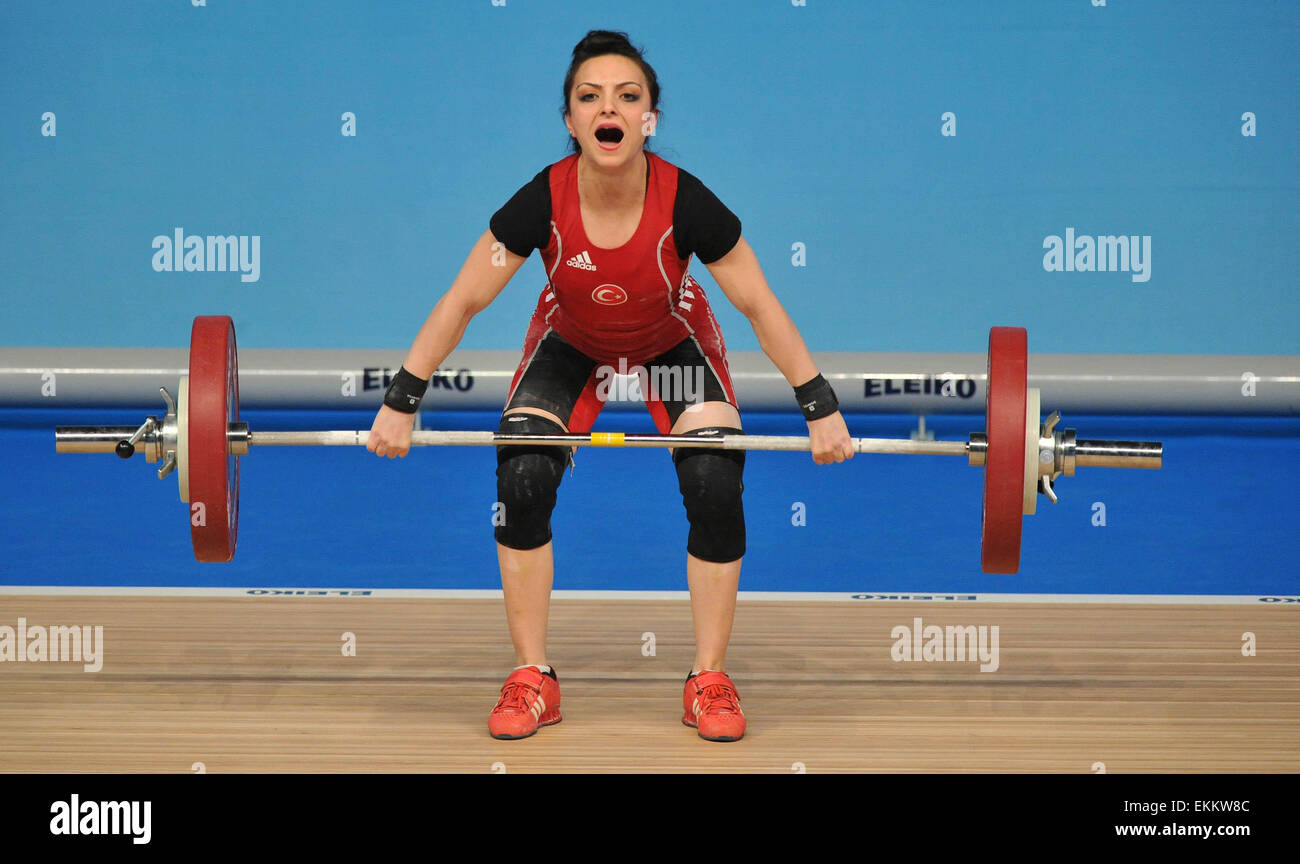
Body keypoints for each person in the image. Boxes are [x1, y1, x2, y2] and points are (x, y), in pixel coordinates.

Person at [367, 30, 852, 743]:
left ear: (649, 117)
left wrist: (819, 404)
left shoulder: (688, 203)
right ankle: (534, 677)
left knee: (715, 479)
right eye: (589, 96)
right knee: (523, 473)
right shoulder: (542, 201)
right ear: (570, 119)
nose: (609, 108)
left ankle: (708, 678)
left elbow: (758, 304)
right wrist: (401, 399)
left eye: (629, 96)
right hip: (572, 345)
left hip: (669, 342)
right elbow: (464, 299)